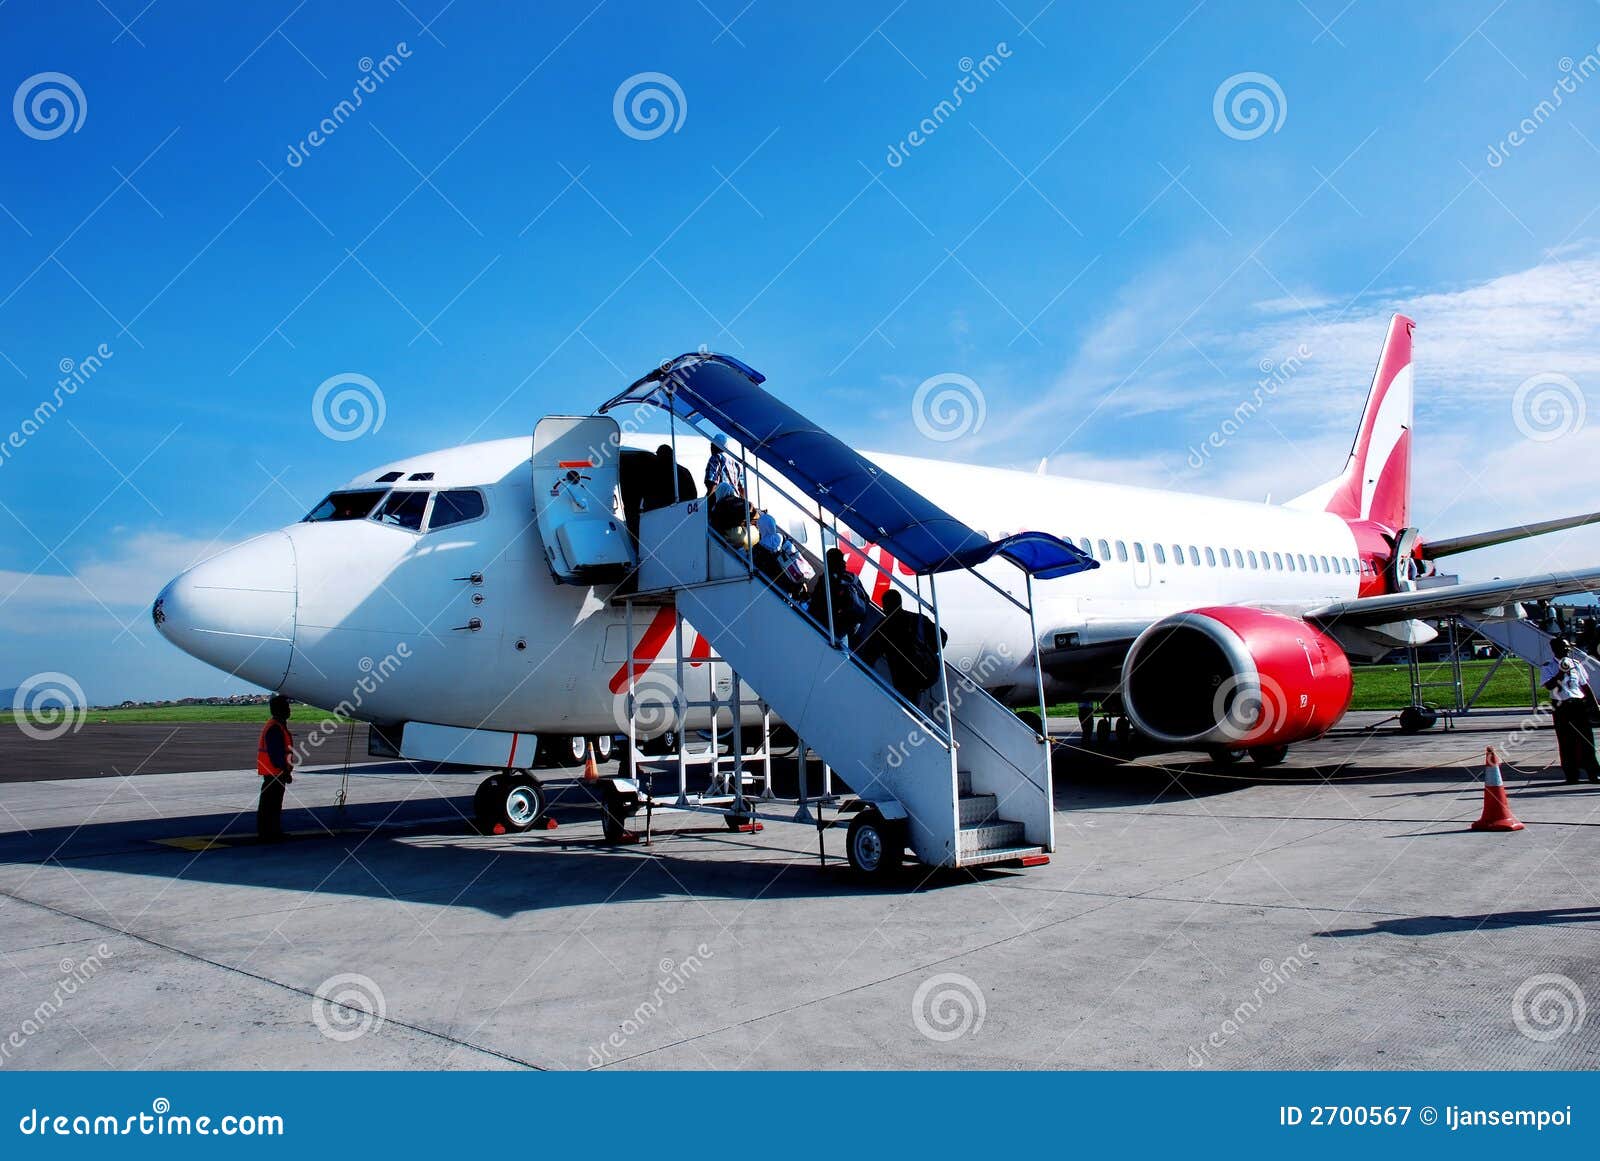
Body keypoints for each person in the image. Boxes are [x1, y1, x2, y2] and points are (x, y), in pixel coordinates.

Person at [872, 589, 948, 705]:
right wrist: (927, 651)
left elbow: (869, 653)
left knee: (905, 705)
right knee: (914, 701)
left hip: (903, 678)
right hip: (922, 672)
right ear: (900, 603)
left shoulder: (883, 626)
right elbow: (942, 636)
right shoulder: (918, 619)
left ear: (885, 606)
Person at [1541, 637, 1600, 784]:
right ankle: (1571, 774)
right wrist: (1561, 672)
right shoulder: (1548, 666)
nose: (1567, 650)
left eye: (1568, 647)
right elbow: (1550, 686)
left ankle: (1593, 772)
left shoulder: (1576, 664)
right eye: (1564, 647)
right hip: (1562, 706)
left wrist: (1595, 704)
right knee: (1566, 741)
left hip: (1578, 704)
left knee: (1587, 739)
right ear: (1555, 649)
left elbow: (1584, 686)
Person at [809, 547, 871, 648]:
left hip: (825, 627)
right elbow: (866, 599)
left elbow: (817, 604)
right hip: (843, 630)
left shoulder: (826, 580)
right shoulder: (852, 578)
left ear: (829, 563)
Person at [256, 694, 295, 841]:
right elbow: (276, 754)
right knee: (271, 805)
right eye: (287, 707)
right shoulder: (275, 728)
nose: (289, 710)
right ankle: (269, 833)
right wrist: (285, 771)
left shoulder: (277, 725)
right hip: (274, 773)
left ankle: (270, 832)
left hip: (274, 772)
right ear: (280, 710)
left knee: (271, 804)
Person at [648, 444, 696, 510]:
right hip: (682, 510)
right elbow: (693, 495)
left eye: (658, 455)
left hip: (668, 511)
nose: (657, 458)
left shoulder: (658, 473)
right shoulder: (684, 471)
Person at [704, 433, 745, 502]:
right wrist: (744, 503)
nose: (711, 448)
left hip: (722, 500)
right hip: (735, 499)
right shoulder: (736, 464)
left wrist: (707, 502)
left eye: (712, 445)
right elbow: (741, 488)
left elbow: (712, 483)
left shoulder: (715, 458)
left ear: (715, 446)